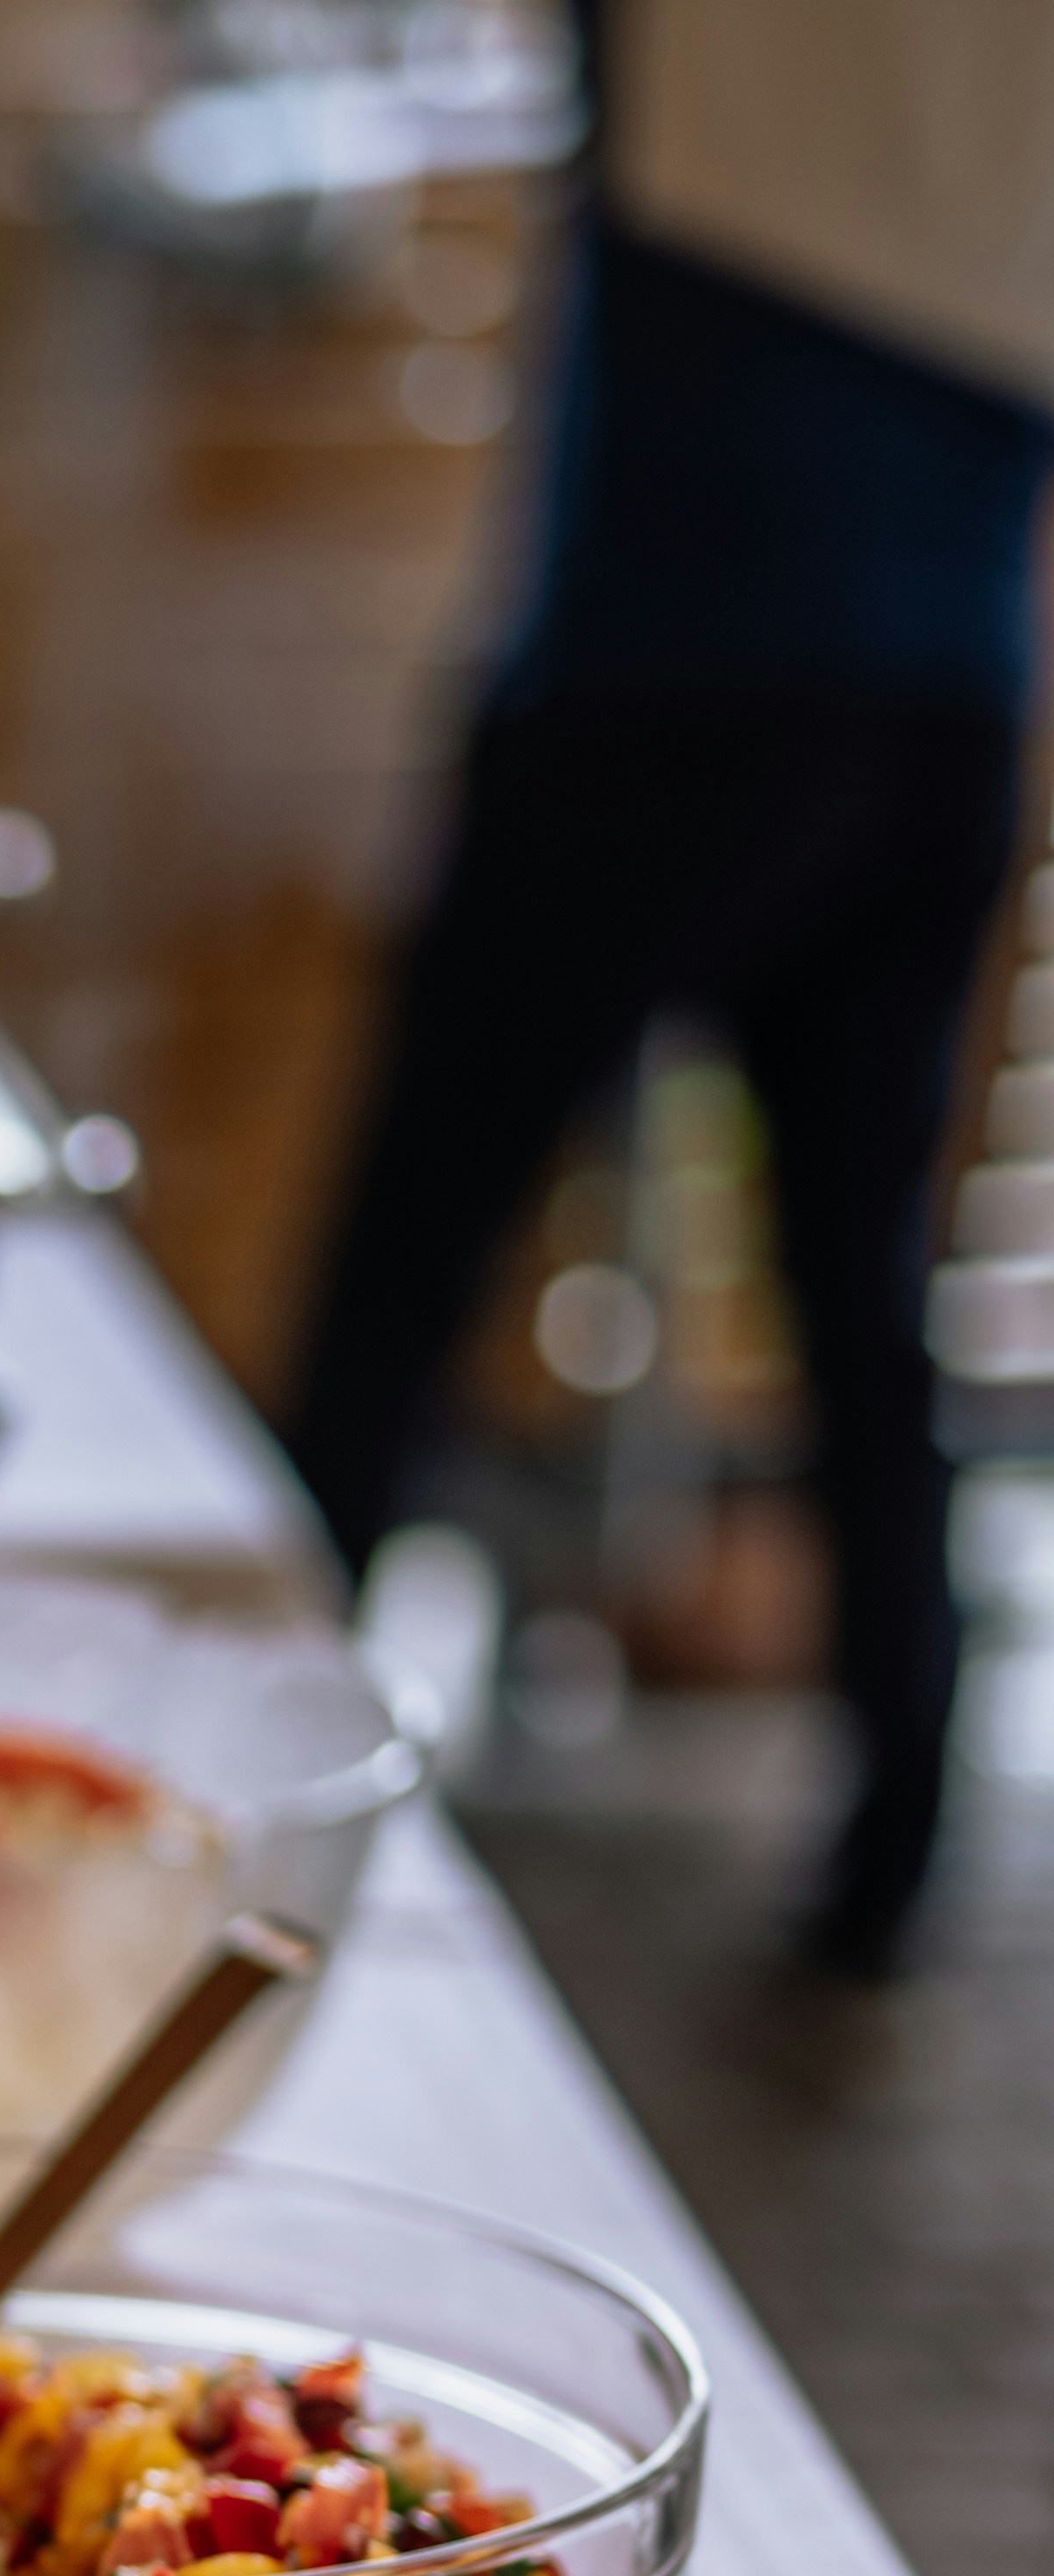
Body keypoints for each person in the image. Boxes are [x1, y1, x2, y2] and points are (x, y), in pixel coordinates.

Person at [280, 0, 1054, 1980]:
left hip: (665, 680)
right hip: (938, 691)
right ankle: (898, 1834)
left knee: (401, 1270)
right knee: (856, 1286)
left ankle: (246, 1807)